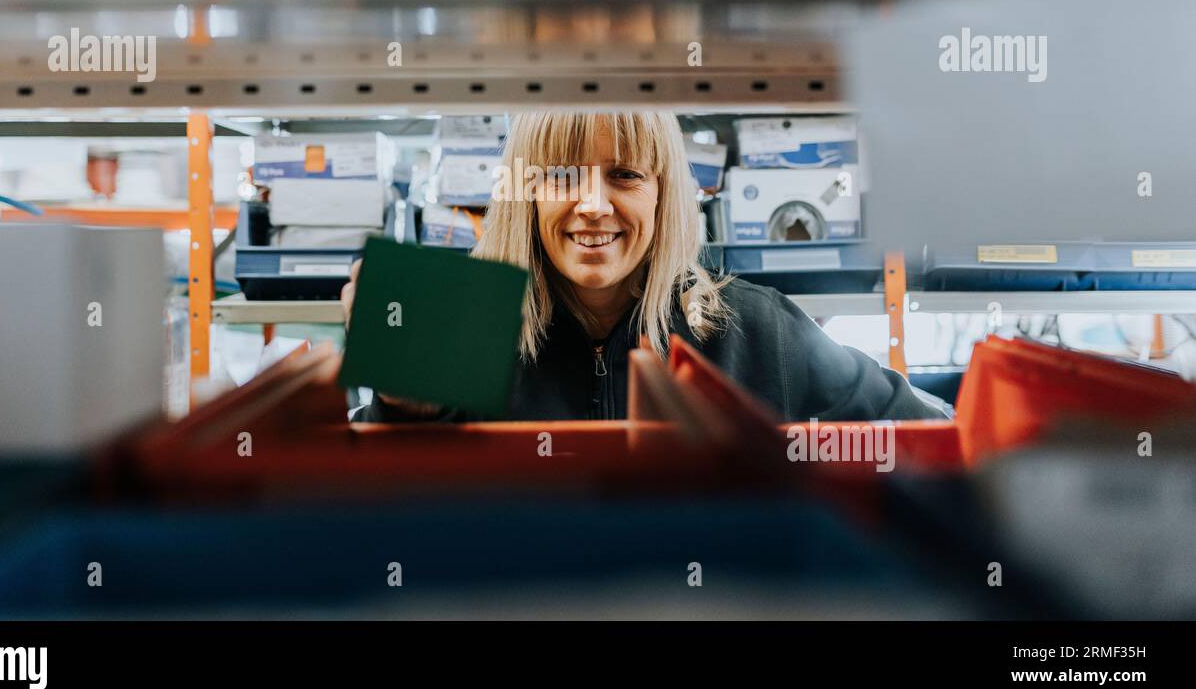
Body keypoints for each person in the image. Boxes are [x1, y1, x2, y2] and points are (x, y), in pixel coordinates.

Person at [344, 111, 948, 423]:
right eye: (561, 176)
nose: (594, 204)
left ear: (664, 196)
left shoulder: (762, 333)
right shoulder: (461, 334)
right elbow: (372, 521)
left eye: (625, 175)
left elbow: (926, 435)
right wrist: (399, 407)